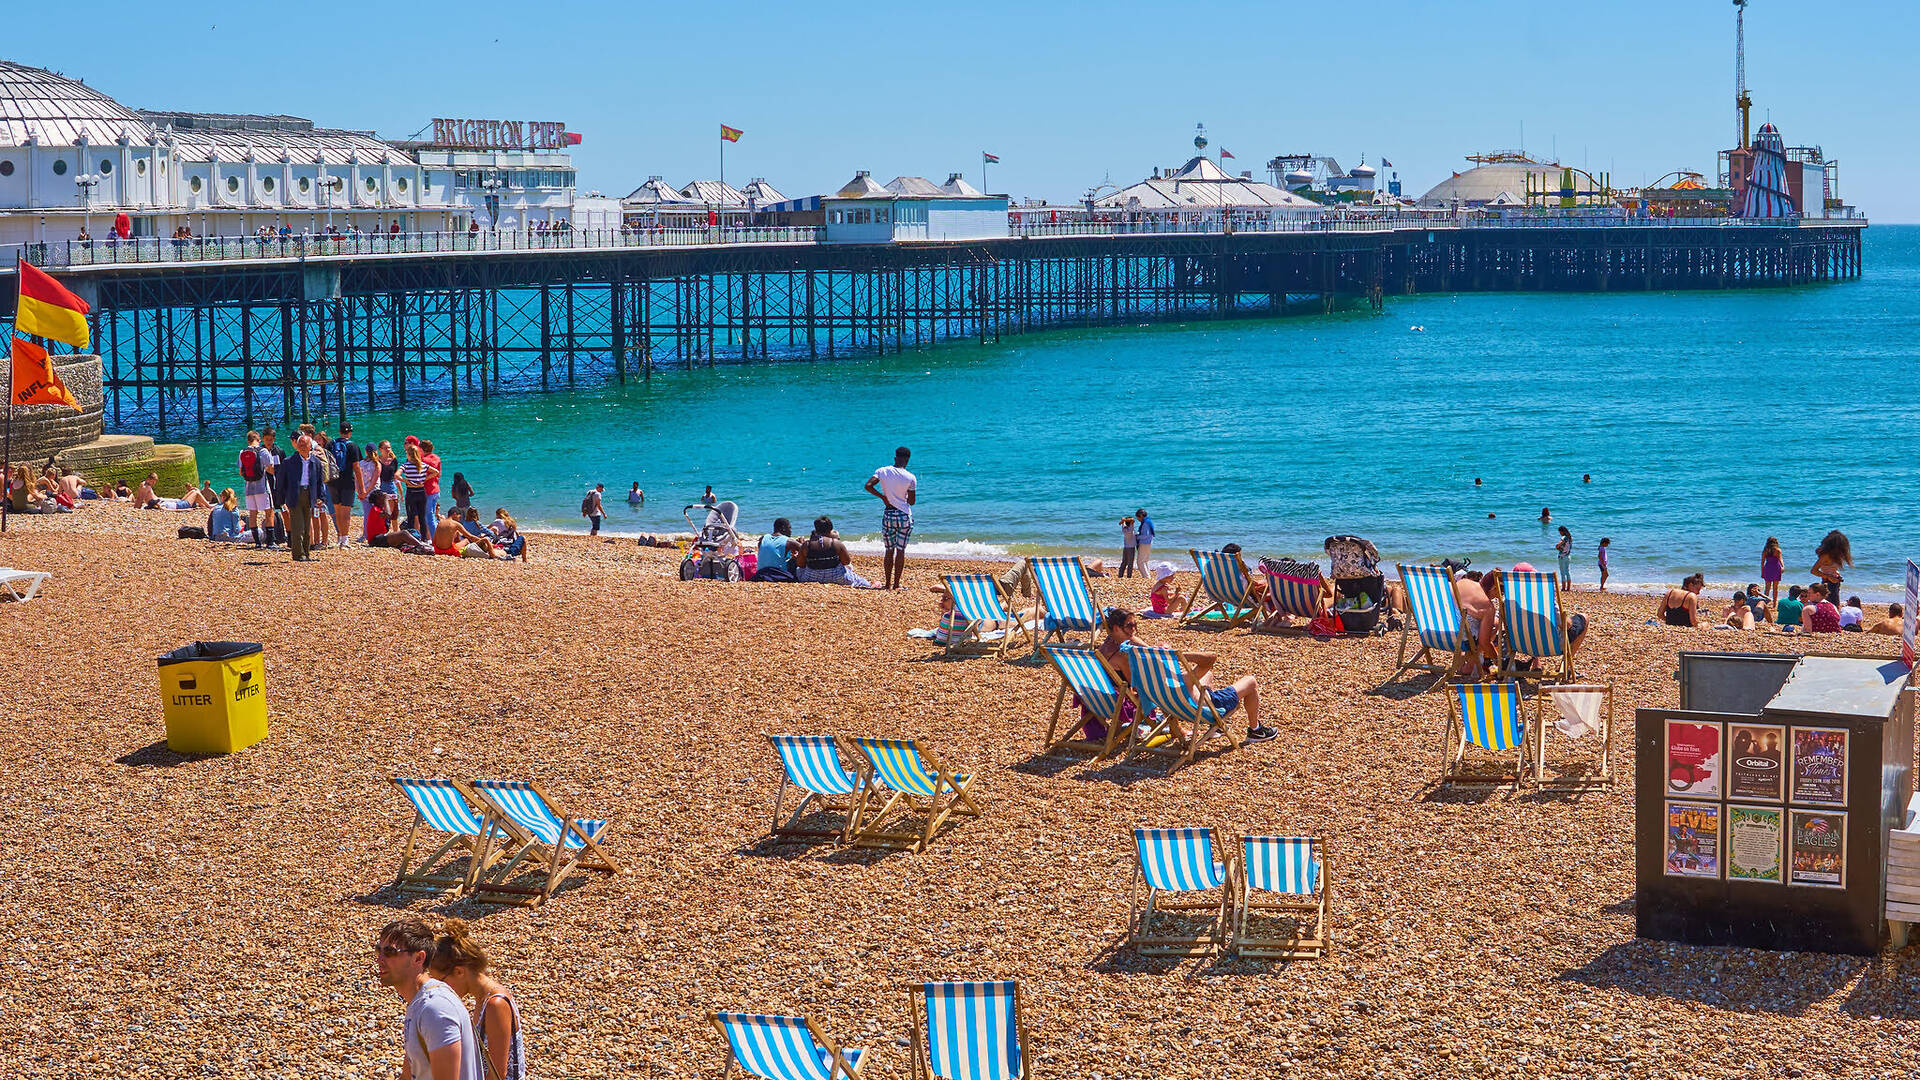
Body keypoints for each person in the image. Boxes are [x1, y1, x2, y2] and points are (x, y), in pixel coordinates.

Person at [1096, 607, 1275, 743]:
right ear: (1117, 628)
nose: (1134, 629)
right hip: (1187, 703)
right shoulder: (1124, 657)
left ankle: (1213, 728)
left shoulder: (1106, 648)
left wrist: (1156, 653)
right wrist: (1174, 654)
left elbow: (1145, 657)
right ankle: (1255, 730)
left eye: (1135, 624)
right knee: (1250, 681)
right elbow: (1210, 658)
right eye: (1129, 626)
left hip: (1165, 698)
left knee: (1207, 676)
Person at [374, 919, 481, 1080]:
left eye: (390, 952)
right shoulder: (418, 1003)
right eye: (378, 950)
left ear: (418, 958)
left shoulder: (435, 1008)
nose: (380, 959)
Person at [428, 919, 525, 1080]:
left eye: (442, 981)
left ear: (459, 972)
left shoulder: (496, 1004)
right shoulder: (483, 999)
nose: (441, 989)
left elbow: (497, 1074)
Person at [864, 447, 917, 591]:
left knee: (888, 550)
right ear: (907, 460)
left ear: (895, 458)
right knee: (900, 551)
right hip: (904, 515)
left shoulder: (882, 471)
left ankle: (887, 584)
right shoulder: (910, 477)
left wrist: (883, 497)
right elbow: (911, 502)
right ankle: (896, 585)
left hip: (889, 514)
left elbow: (868, 486)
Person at [274, 435, 327, 562]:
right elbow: (281, 483)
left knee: (307, 527)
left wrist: (321, 497)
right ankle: (298, 554)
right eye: (300, 445)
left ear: (310, 446)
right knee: (298, 527)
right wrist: (280, 501)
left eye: (305, 445)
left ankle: (306, 553)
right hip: (294, 495)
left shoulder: (315, 462)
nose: (302, 447)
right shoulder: (289, 462)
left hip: (310, 495)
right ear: (297, 446)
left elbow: (319, 482)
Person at [796, 516, 875, 588]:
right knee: (856, 578)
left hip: (811, 578)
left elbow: (800, 564)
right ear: (830, 529)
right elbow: (846, 562)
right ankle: (869, 585)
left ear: (816, 529)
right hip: (837, 577)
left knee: (799, 570)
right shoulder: (836, 543)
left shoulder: (807, 545)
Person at [1455, 568, 1497, 672]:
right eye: (1502, 592)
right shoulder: (1488, 607)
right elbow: (1484, 643)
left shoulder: (1463, 582)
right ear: (1494, 588)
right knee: (1494, 625)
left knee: (1463, 619)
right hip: (1457, 639)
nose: (1500, 596)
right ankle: (1469, 666)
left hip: (1435, 633)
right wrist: (1498, 659)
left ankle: (1459, 661)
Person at [330, 423, 361, 549]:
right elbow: (357, 468)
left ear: (339, 431)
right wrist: (361, 488)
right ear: (350, 432)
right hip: (347, 481)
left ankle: (339, 538)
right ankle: (345, 540)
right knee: (346, 512)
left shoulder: (330, 444)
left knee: (337, 511)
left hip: (333, 481)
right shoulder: (352, 446)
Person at [400, 443, 430, 536]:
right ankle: (425, 539)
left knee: (411, 517)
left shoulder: (405, 465)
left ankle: (411, 537)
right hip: (421, 491)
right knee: (422, 517)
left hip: (411, 492)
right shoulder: (422, 465)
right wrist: (424, 479)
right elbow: (436, 472)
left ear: (409, 455)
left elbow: (396, 475)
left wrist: (406, 481)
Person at [1812, 531, 1851, 599]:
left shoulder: (1835, 555)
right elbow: (1813, 571)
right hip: (1828, 582)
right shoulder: (1826, 556)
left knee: (1835, 601)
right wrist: (1829, 577)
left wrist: (1836, 573)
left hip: (1835, 580)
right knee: (1832, 602)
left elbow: (1830, 568)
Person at [420, 439, 444, 527]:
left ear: (422, 449)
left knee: (429, 517)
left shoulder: (423, 460)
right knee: (432, 515)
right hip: (436, 489)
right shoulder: (437, 458)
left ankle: (433, 538)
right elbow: (439, 475)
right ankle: (434, 536)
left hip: (427, 490)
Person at [1760, 537, 1784, 604]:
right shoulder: (1778, 550)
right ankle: (1774, 604)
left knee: (1767, 588)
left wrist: (1762, 572)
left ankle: (1764, 603)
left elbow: (1762, 563)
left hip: (1768, 568)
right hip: (1776, 568)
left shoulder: (1765, 550)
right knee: (1775, 588)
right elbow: (1780, 559)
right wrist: (1783, 566)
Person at [1554, 526, 1574, 590]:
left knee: (1562, 572)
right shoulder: (1570, 538)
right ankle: (1568, 587)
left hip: (1562, 556)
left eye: (1560, 532)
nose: (1560, 533)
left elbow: (1558, 545)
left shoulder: (1564, 537)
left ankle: (1563, 588)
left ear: (1562, 531)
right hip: (1568, 556)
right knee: (1567, 572)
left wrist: (1557, 547)